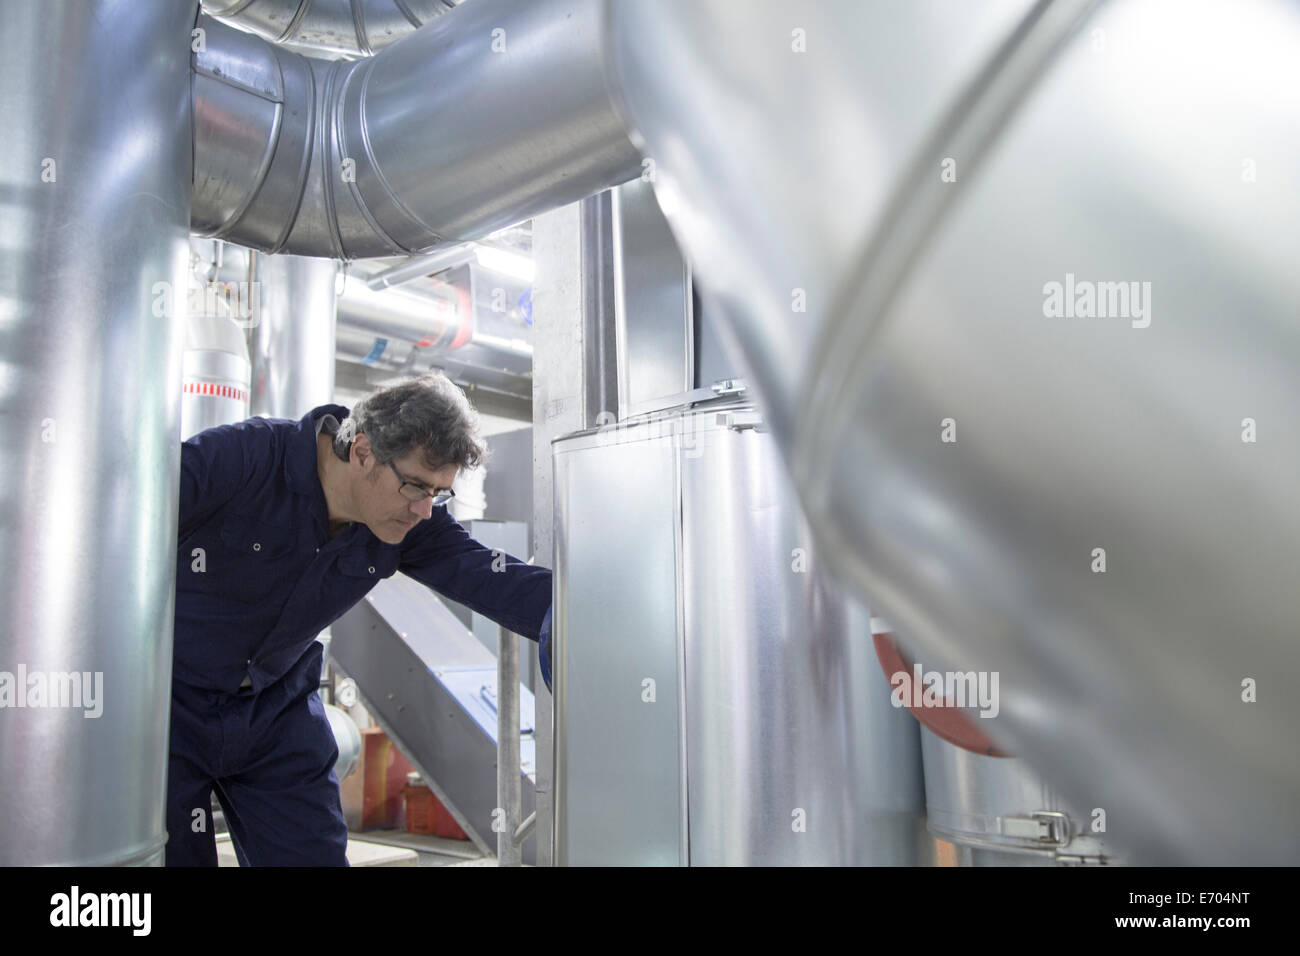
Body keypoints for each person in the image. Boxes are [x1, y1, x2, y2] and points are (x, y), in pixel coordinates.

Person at [167, 373, 552, 866]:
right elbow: (115, 525)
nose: (424, 510)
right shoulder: (242, 459)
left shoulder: (407, 521)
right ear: (364, 451)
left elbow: (495, 580)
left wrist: (591, 615)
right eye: (416, 485)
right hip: (171, 707)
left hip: (276, 709)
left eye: (439, 493)